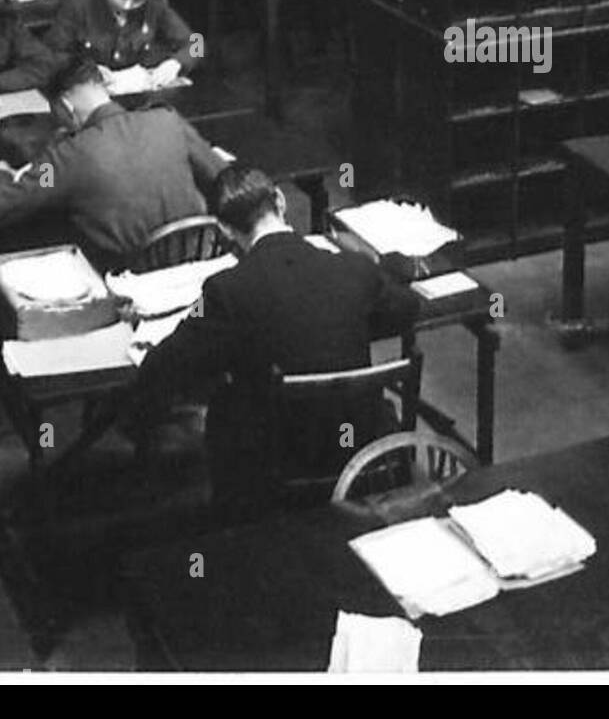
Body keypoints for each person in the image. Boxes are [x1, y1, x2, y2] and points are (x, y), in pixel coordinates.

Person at [124, 164, 419, 516]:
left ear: (225, 230)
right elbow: (406, 308)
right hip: (357, 443)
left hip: (270, 460)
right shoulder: (354, 268)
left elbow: (168, 365)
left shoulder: (225, 292)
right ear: (280, 200)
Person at [0, 55, 224, 272]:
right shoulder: (167, 120)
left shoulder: (67, 157)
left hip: (126, 279)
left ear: (66, 108)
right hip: (200, 263)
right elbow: (222, 175)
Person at [46, 0, 200, 89]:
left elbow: (197, 42)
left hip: (138, 92)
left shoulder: (155, 6)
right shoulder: (78, 4)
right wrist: (85, 70)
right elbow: (54, 54)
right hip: (90, 90)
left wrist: (176, 63)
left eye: (137, 0)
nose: (127, 5)